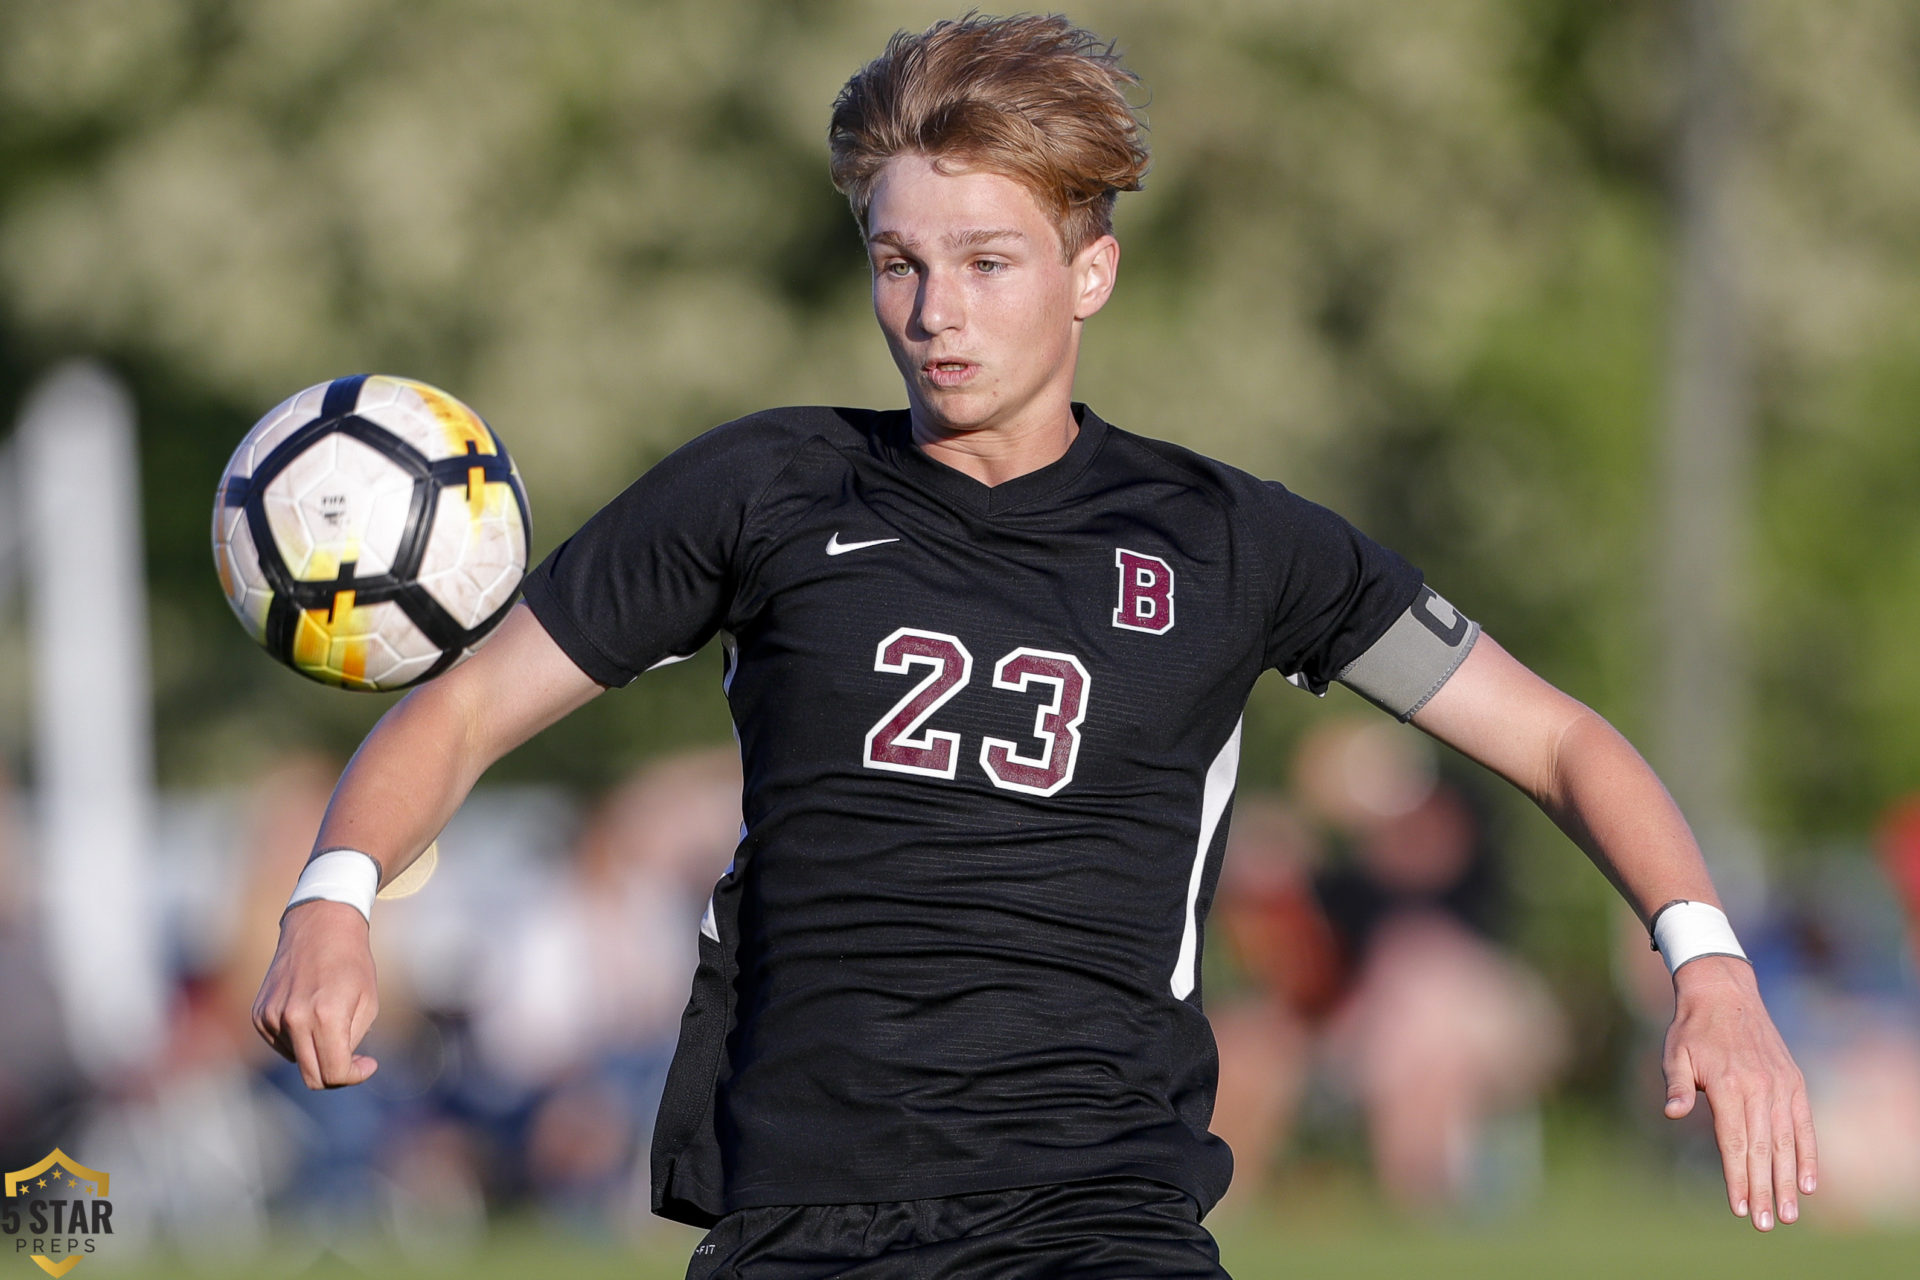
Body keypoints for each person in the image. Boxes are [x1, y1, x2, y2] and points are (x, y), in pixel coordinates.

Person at [252, 14, 1815, 1276]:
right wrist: (333, 897)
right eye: (897, 261)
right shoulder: (764, 490)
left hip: (1100, 1214)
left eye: (987, 262)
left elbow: (1557, 739)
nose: (936, 310)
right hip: (801, 1213)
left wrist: (1714, 971)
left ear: (1090, 273)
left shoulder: (1232, 542)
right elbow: (458, 717)